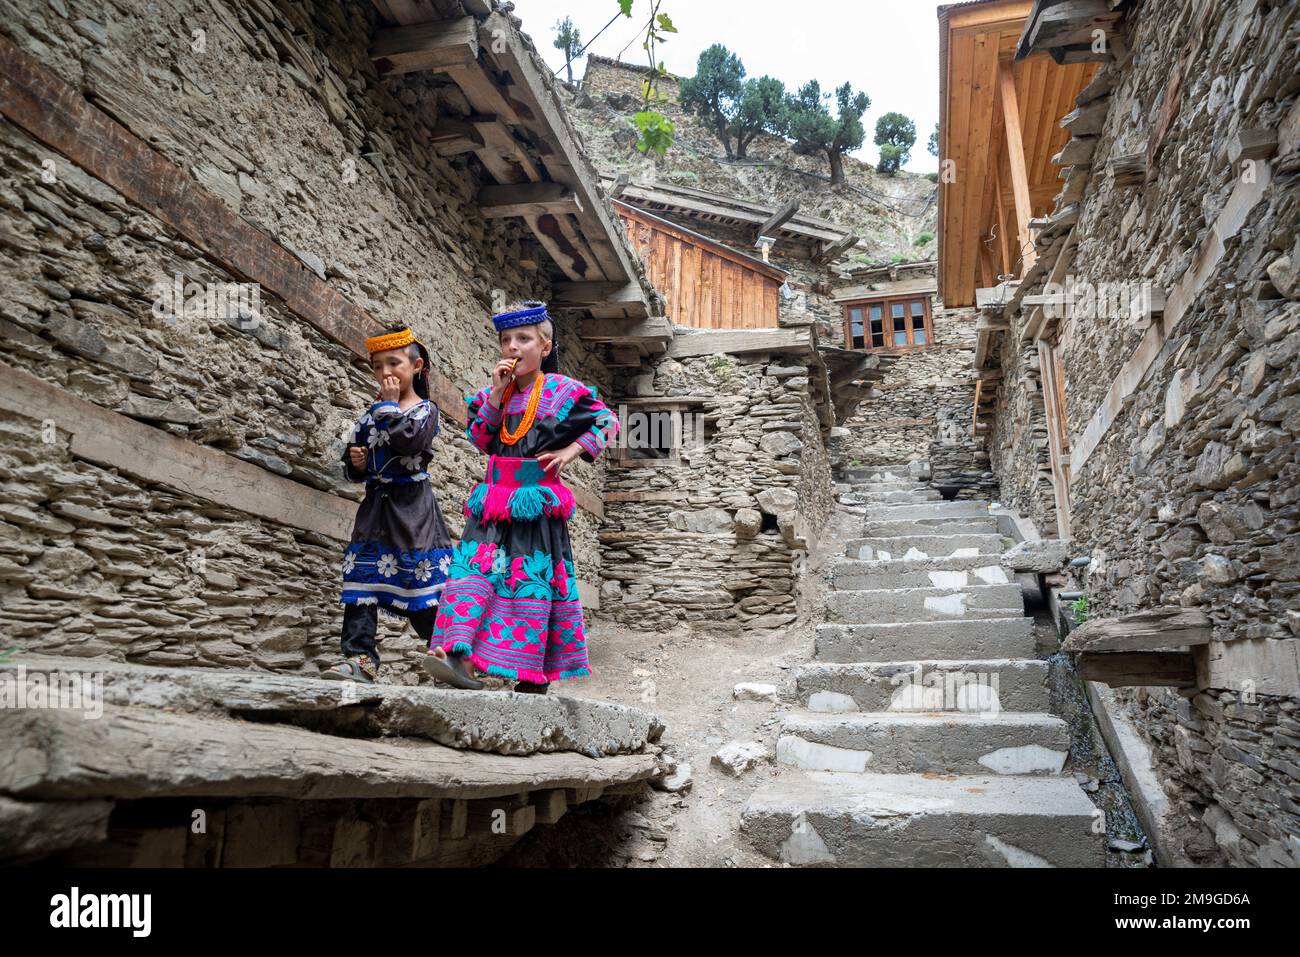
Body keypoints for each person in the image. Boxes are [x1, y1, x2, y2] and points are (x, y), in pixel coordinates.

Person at [423, 301, 618, 694]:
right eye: (506, 339)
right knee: (471, 577)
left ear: (544, 347)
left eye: (523, 339)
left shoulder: (564, 391)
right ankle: (458, 659)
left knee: (530, 584)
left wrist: (569, 452)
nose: (513, 347)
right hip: (492, 503)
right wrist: (496, 394)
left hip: (535, 504)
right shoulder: (490, 394)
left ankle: (532, 676)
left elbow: (609, 422)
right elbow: (480, 439)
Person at [322, 326, 454, 683]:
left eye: (394, 363)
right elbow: (352, 464)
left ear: (416, 366)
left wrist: (387, 409)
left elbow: (410, 443)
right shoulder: (371, 413)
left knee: (417, 586)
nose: (385, 373)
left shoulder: (426, 411)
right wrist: (357, 463)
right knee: (361, 583)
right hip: (375, 511)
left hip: (413, 512)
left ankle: (450, 653)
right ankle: (359, 659)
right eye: (378, 366)